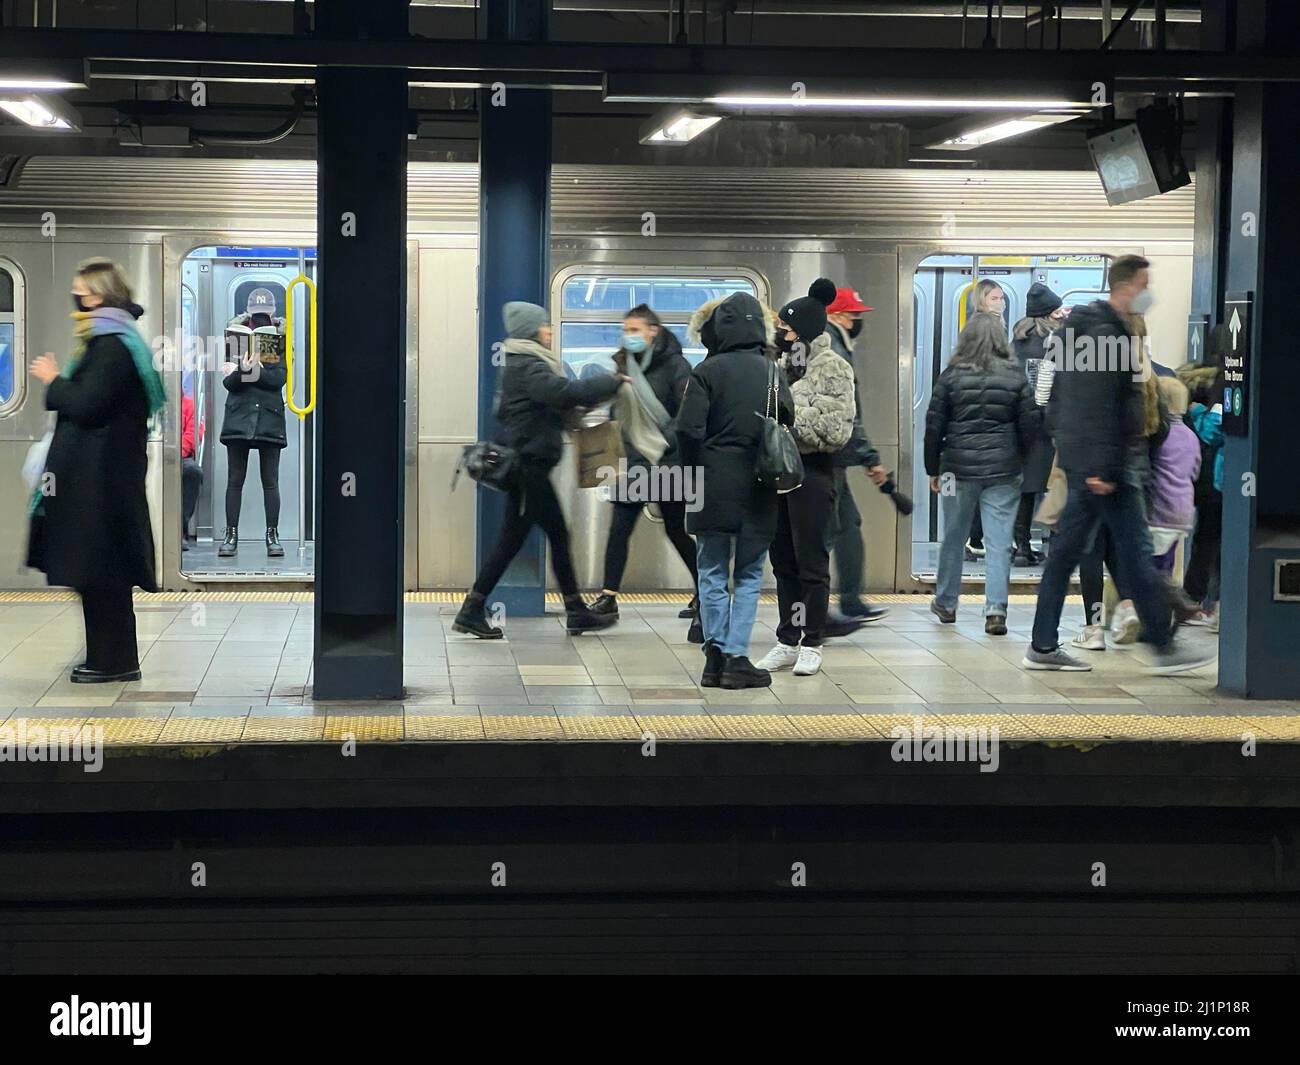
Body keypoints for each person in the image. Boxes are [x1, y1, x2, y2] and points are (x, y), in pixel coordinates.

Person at [1022, 255, 1216, 674]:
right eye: (1145, 284)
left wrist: (1079, 458)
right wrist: (1100, 468)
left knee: (1078, 556)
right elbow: (1097, 405)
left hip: (1097, 466)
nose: (1149, 294)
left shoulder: (1082, 332)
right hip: (1109, 471)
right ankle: (1161, 646)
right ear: (1128, 286)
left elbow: (1057, 403)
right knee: (1133, 555)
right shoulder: (1107, 333)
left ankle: (1043, 644)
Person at [25, 259, 165, 683]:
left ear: (96, 295)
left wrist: (53, 379)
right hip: (100, 479)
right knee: (99, 572)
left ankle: (114, 661)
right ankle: (109, 657)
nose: (75, 298)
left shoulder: (112, 346)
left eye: (79, 291)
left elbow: (87, 404)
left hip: (100, 484)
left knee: (101, 572)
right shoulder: (113, 340)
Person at [454, 301, 624, 638]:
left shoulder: (523, 362)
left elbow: (556, 400)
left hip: (528, 466)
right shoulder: (529, 365)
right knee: (539, 539)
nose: (549, 330)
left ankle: (477, 608)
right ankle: (569, 611)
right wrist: (612, 382)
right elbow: (562, 392)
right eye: (545, 325)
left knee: (522, 539)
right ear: (532, 330)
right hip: (528, 467)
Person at [676, 291, 793, 690]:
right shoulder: (772, 372)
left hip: (710, 486)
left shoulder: (705, 373)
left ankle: (713, 657)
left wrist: (696, 471)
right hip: (758, 485)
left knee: (710, 571)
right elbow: (787, 418)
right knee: (746, 574)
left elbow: (687, 430)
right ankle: (736, 659)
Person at [755, 280, 855, 677]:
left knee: (812, 561)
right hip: (778, 474)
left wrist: (788, 421)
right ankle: (787, 638)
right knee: (783, 561)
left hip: (812, 474)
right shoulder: (778, 367)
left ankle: (812, 641)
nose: (782, 334)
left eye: (788, 328)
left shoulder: (835, 369)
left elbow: (836, 428)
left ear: (806, 330)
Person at [924, 312, 1040, 635]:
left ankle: (947, 603)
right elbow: (1030, 425)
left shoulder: (950, 376)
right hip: (1004, 471)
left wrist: (932, 469)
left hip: (954, 471)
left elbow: (934, 426)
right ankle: (995, 610)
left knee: (953, 535)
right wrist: (1019, 459)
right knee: (1000, 541)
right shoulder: (1015, 376)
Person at [589, 304, 700, 637]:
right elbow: (616, 410)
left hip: (667, 459)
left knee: (676, 529)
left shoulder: (676, 366)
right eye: (626, 330)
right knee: (620, 525)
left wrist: (661, 442)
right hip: (631, 460)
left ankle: (705, 591)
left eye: (635, 329)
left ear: (654, 330)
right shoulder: (623, 366)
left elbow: (687, 411)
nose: (629, 336)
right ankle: (608, 597)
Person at [822, 285, 890, 629]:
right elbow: (847, 413)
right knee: (827, 532)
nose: (856, 321)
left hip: (834, 456)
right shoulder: (834, 350)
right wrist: (870, 457)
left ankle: (850, 600)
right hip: (829, 457)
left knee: (847, 526)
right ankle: (818, 614)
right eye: (852, 315)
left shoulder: (833, 346)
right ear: (834, 315)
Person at [217, 288, 287, 558]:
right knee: (235, 479)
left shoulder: (279, 338)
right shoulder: (235, 338)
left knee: (270, 480)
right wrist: (246, 370)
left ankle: (272, 534)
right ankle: (231, 534)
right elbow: (229, 383)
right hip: (239, 414)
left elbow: (277, 380)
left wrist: (253, 371)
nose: (261, 316)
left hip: (268, 416)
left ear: (271, 312)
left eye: (264, 312)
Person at [1009, 282, 1066, 565]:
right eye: (1058, 312)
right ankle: (1055, 546)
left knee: (1026, 487)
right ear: (1048, 315)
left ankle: (1021, 546)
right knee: (1055, 483)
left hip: (1019, 425)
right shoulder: (1054, 343)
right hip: (1049, 425)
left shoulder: (1015, 341)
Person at [963, 280, 1008, 562]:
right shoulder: (981, 330)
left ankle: (979, 537)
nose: (1000, 303)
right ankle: (976, 537)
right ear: (982, 301)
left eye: (1002, 298)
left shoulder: (1000, 327)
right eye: (994, 297)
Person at [1179, 359, 1224, 629]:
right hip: (1217, 478)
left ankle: (1194, 601)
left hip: (1199, 479)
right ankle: (1215, 604)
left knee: (1205, 541)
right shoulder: (1221, 385)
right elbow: (1213, 431)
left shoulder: (1186, 387)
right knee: (1215, 542)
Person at [181, 390, 203, 553]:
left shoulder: (188, 405)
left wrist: (174, 452)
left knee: (192, 471)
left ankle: (179, 530)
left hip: (179, 457)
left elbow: (194, 433)